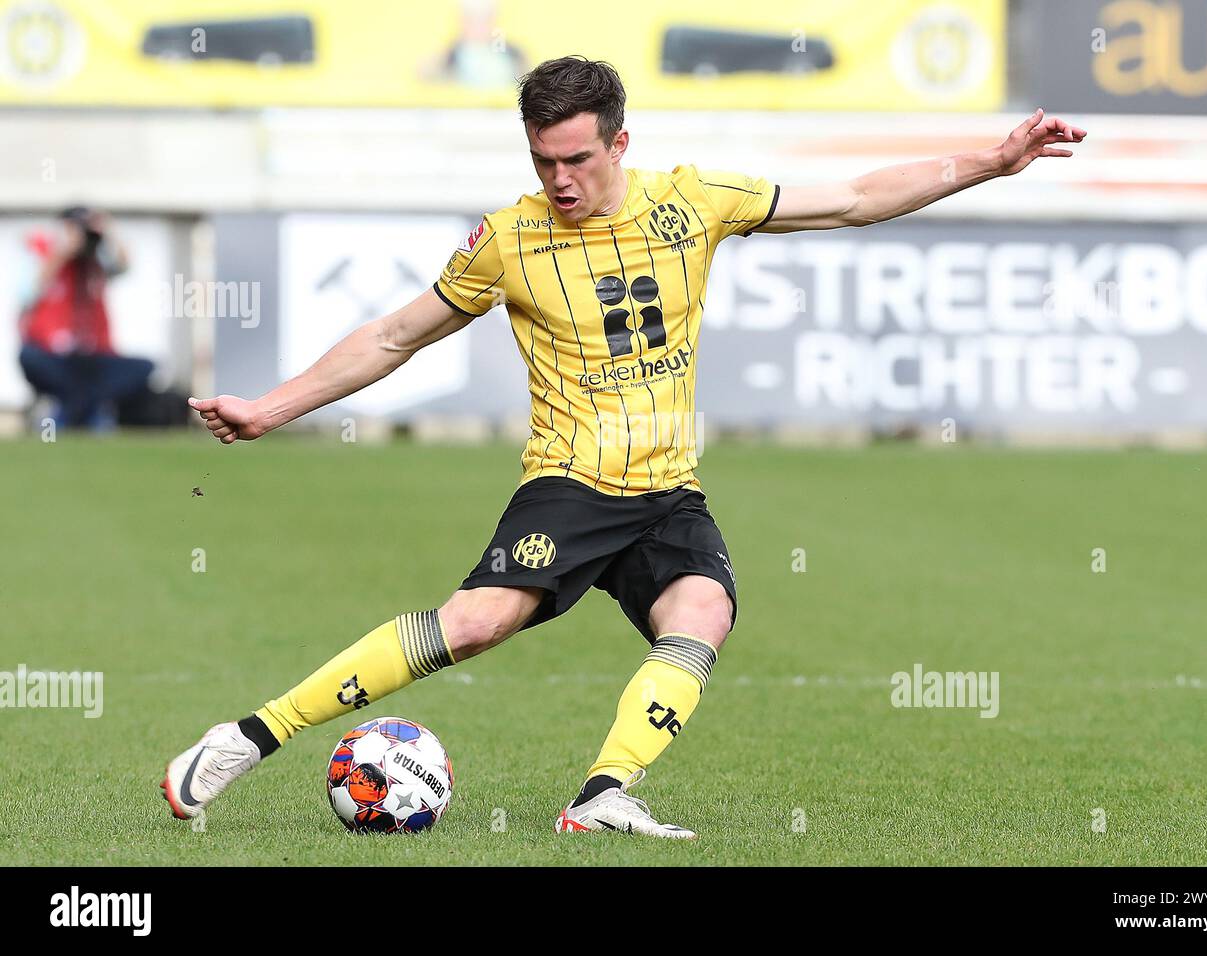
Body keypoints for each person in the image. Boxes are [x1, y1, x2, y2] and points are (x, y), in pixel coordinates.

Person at [162, 57, 1085, 837]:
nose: (560, 180)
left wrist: (993, 164)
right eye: (542, 160)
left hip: (667, 492)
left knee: (704, 613)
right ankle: (247, 736)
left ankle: (603, 794)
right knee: (476, 625)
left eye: (575, 159)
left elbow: (850, 198)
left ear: (618, 145)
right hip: (571, 482)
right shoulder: (510, 240)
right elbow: (397, 335)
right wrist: (275, 408)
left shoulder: (693, 204)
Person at [18, 207, 154, 430]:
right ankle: (84, 410)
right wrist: (62, 252)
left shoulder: (97, 263)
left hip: (93, 358)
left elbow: (124, 266)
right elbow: (28, 293)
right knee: (29, 357)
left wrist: (107, 231)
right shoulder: (43, 256)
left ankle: (71, 412)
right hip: (56, 358)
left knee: (144, 367)